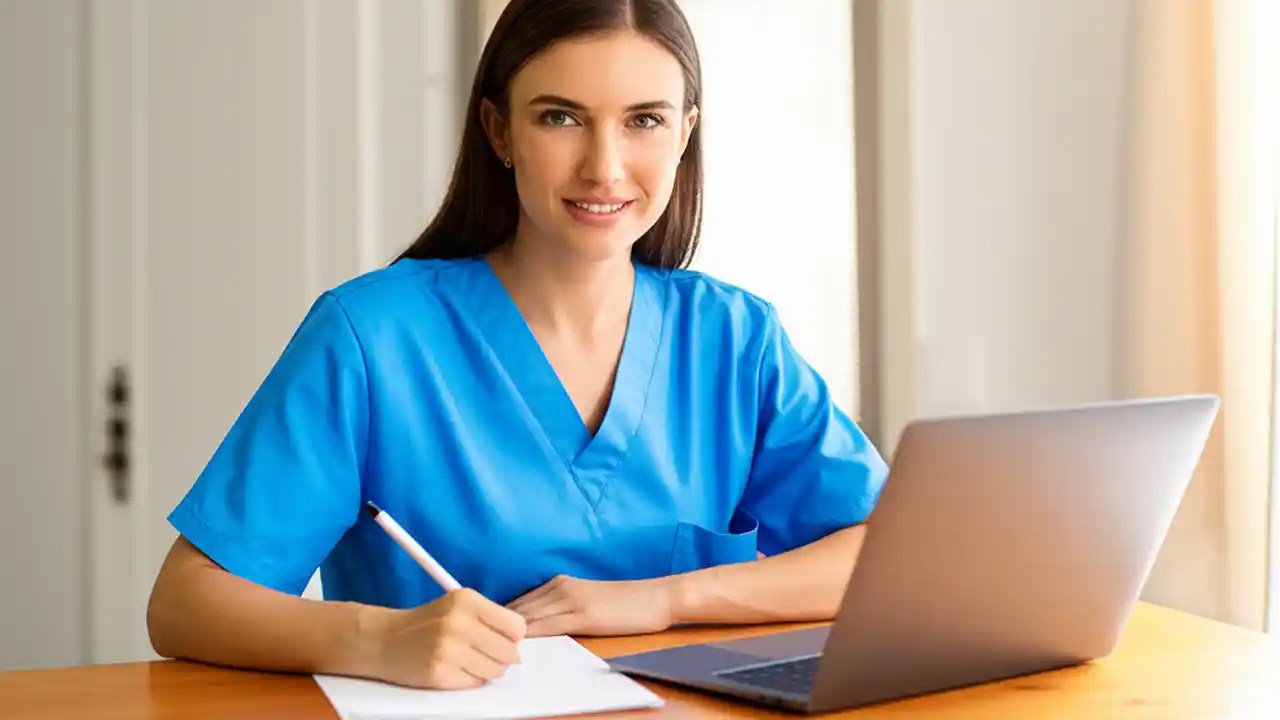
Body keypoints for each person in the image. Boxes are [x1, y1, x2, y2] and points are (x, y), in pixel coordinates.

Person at [146, 0, 888, 691]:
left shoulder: (735, 339)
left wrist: (661, 599)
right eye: (561, 117)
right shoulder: (374, 337)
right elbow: (185, 603)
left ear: (685, 132)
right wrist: (376, 640)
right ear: (499, 132)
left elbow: (886, 558)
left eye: (645, 121)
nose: (604, 166)